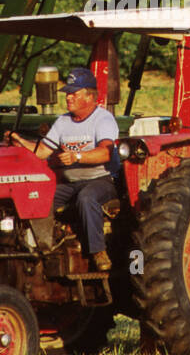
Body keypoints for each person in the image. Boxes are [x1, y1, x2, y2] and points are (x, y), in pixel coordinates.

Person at [10, 67, 117, 272]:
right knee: (38, 196)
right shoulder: (63, 121)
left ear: (89, 95)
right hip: (70, 184)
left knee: (86, 198)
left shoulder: (102, 119)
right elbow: (42, 151)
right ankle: (41, 246)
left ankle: (98, 251)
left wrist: (77, 156)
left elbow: (105, 153)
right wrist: (20, 142)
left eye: (73, 93)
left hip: (100, 180)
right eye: (67, 93)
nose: (68, 98)